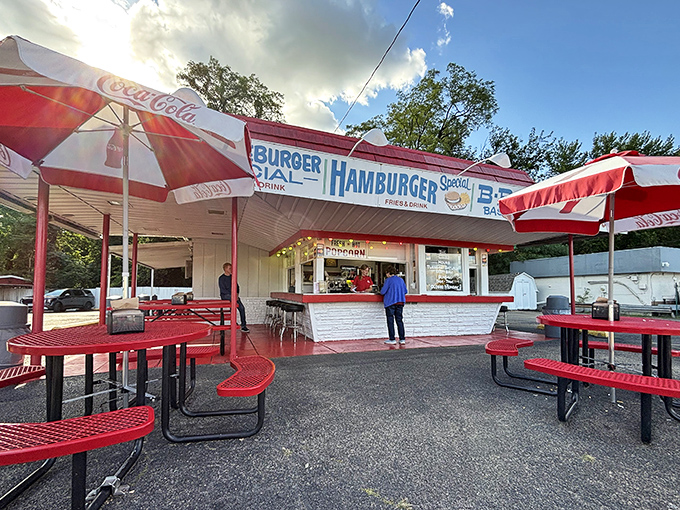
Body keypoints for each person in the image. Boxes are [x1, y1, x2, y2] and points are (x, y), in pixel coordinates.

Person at [218, 262, 249, 332]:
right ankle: (233, 322)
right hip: (226, 296)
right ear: (225, 269)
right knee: (233, 307)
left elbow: (237, 287)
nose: (231, 269)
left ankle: (243, 325)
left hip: (234, 297)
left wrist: (237, 294)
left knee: (242, 308)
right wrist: (233, 296)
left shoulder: (233, 277)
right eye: (229, 268)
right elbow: (223, 290)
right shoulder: (221, 278)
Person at [380, 265, 407, 345]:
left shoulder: (388, 280)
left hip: (391, 302)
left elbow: (382, 292)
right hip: (400, 302)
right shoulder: (401, 280)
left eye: (386, 273)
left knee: (390, 321)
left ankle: (392, 339)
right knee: (399, 321)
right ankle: (402, 339)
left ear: (388, 273)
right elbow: (405, 291)